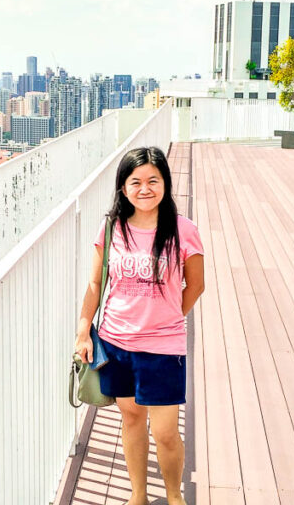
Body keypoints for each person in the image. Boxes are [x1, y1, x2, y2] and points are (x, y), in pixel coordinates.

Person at [75, 146, 205, 505]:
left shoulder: (183, 229)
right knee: (131, 419)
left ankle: (175, 497)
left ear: (165, 183)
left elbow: (196, 284)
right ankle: (138, 497)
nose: (145, 188)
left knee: (165, 432)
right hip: (116, 342)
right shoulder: (111, 228)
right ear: (123, 187)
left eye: (153, 180)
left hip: (163, 349)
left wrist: (168, 315)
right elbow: (95, 285)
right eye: (136, 182)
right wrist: (83, 331)